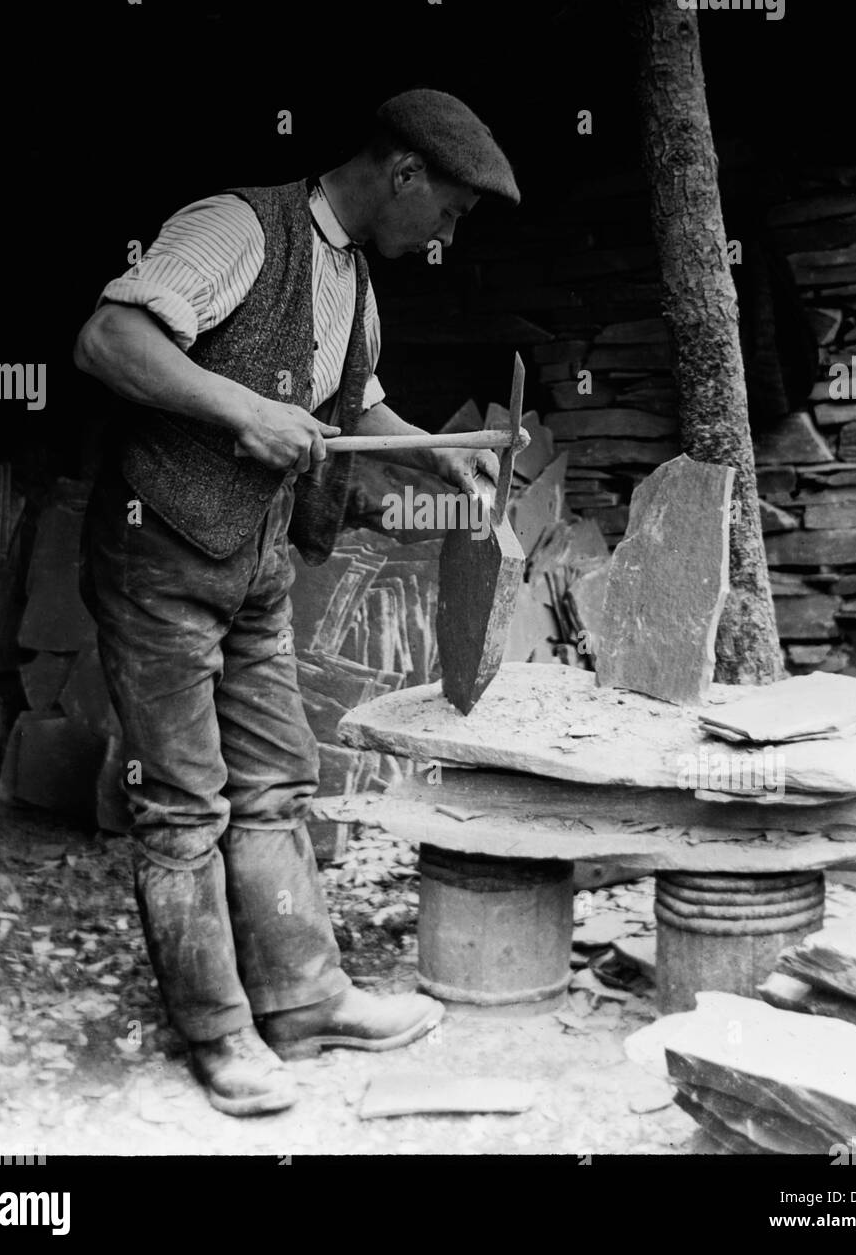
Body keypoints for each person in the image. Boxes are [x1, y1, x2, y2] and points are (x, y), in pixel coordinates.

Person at [74, 89, 522, 1116]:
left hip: (257, 564)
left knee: (277, 782)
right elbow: (106, 339)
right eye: (449, 211)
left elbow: (353, 402)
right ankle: (218, 1031)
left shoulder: (355, 280)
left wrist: (439, 454)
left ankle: (304, 998)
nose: (448, 234)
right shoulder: (236, 229)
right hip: (164, 557)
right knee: (185, 799)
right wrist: (241, 410)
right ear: (403, 172)